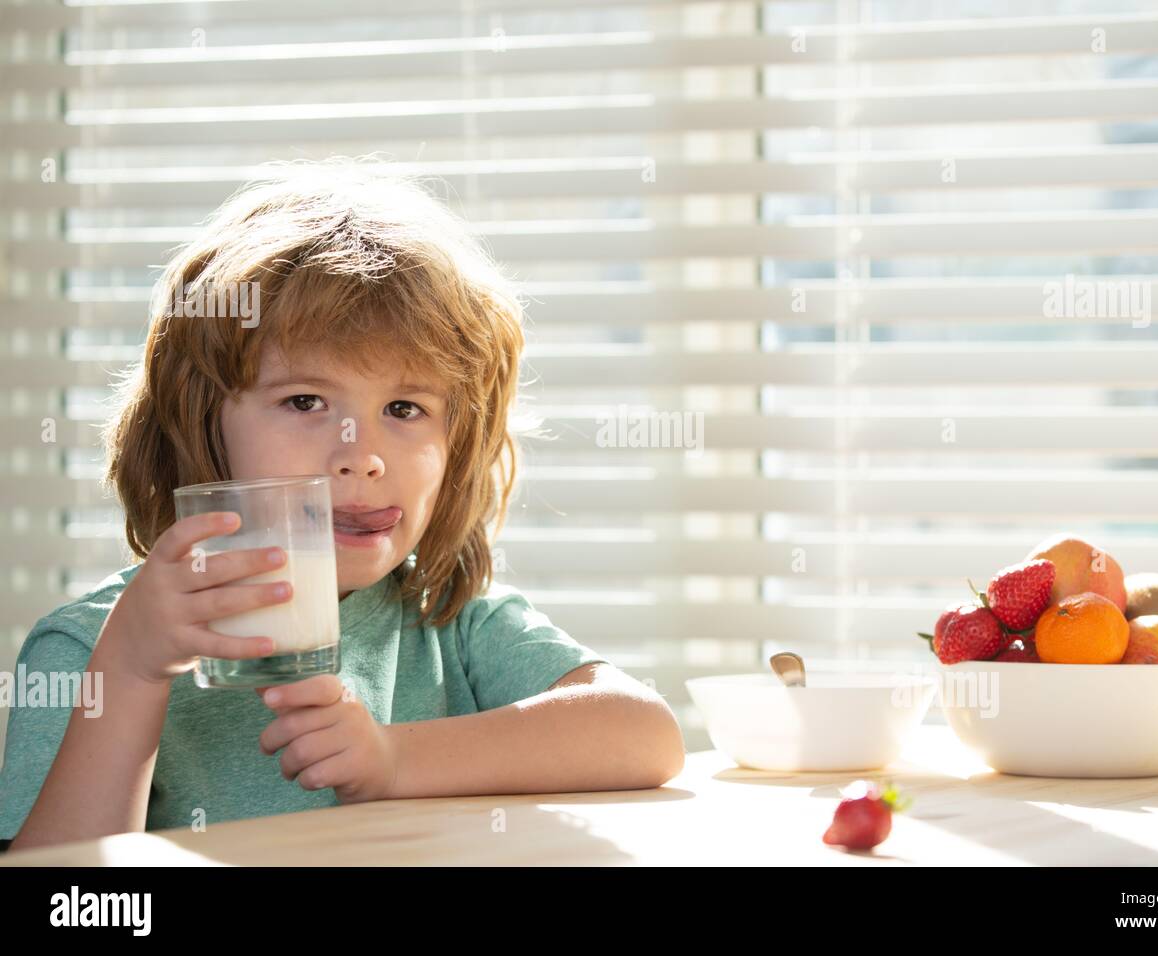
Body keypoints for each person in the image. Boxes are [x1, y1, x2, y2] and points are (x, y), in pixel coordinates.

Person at [0, 160, 684, 852]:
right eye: (305, 401)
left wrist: (393, 760)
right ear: (201, 422)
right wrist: (133, 668)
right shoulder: (91, 648)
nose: (362, 453)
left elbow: (645, 735)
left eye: (404, 408)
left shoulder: (448, 616)